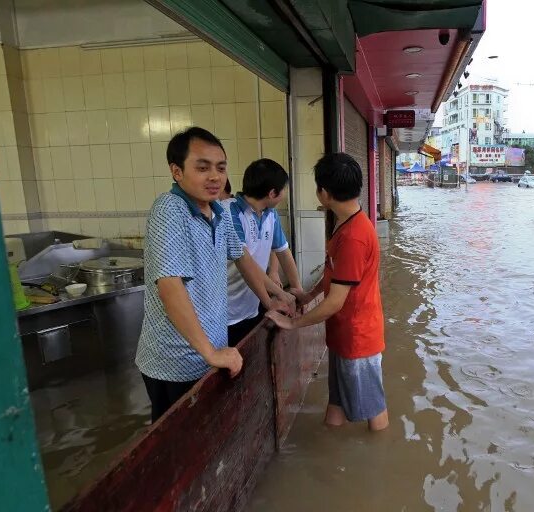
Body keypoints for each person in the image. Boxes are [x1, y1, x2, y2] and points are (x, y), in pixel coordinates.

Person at [135, 127, 289, 423]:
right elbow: (170, 285)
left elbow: (243, 259)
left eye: (220, 168)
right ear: (176, 171)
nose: (215, 177)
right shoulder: (170, 210)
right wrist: (210, 352)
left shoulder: (217, 211)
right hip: (175, 361)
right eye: (202, 168)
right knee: (176, 448)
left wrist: (271, 302)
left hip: (209, 353)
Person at [267, 153, 389, 432]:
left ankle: (377, 462)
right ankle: (329, 448)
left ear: (324, 193)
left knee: (375, 414)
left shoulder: (354, 237)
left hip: (358, 338)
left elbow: (335, 302)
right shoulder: (345, 225)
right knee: (336, 406)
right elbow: (334, 275)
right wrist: (308, 296)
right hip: (343, 334)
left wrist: (293, 323)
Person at [222, 159, 303, 346]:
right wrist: (276, 297)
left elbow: (283, 252)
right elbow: (245, 264)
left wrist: (297, 291)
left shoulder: (270, 214)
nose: (284, 195)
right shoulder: (230, 212)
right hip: (226, 310)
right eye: (282, 190)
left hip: (252, 302)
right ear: (272, 193)